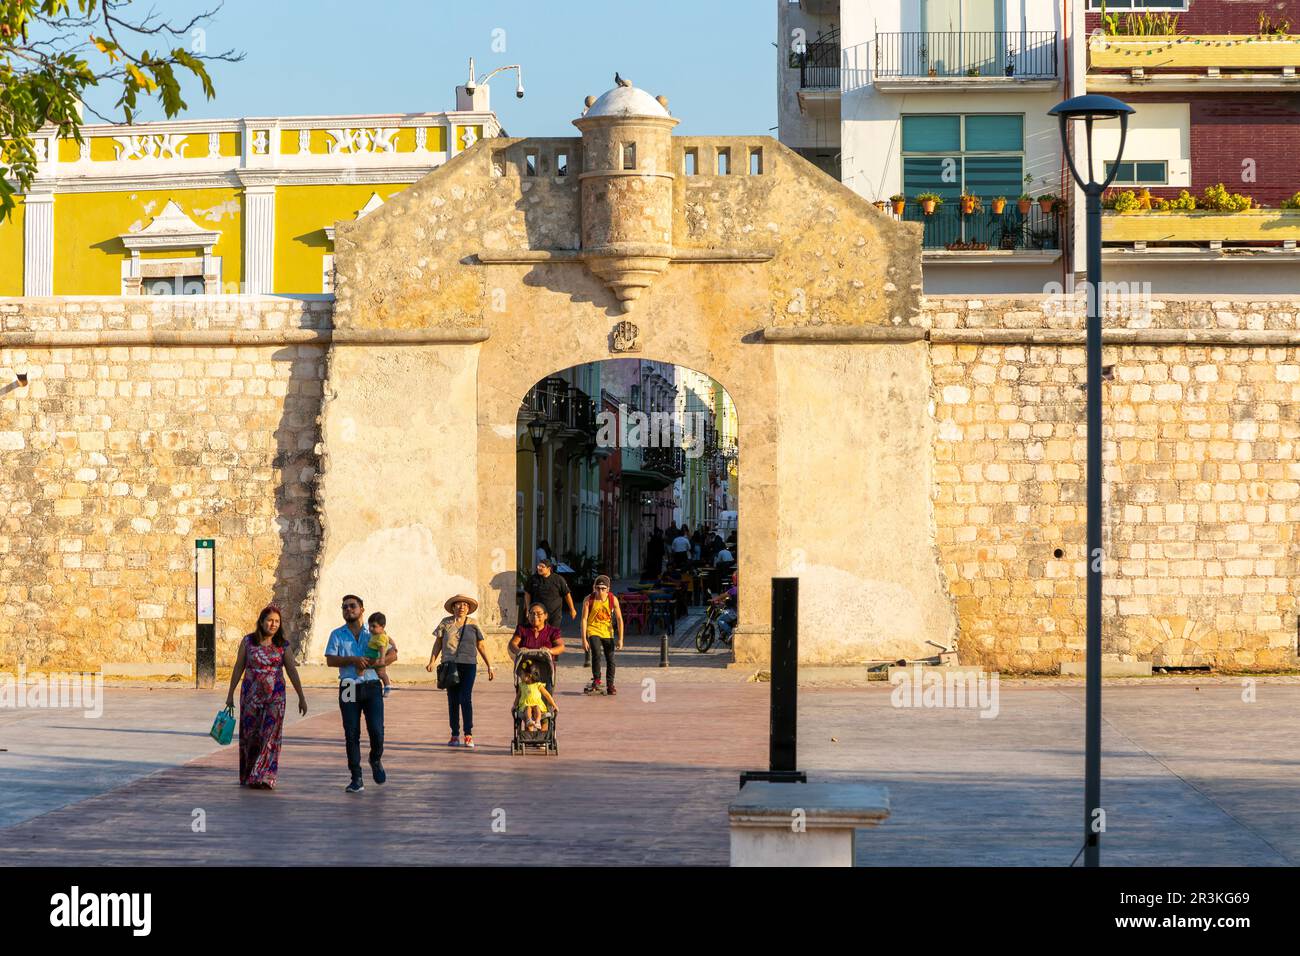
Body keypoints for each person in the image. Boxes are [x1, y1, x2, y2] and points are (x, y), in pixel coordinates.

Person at [225, 603, 307, 790]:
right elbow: (239, 667)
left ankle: (264, 776)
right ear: (261, 622)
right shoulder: (248, 642)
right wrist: (230, 694)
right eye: (270, 620)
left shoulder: (283, 645)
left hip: (275, 697)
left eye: (277, 621)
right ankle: (249, 774)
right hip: (251, 696)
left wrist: (301, 696)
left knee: (270, 735)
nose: (273, 624)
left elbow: (292, 671)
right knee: (250, 735)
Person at [325, 594, 397, 793]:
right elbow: (330, 660)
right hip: (348, 685)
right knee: (351, 732)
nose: (348, 609)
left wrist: (379, 663)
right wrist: (353, 660)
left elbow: (393, 653)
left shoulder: (374, 630)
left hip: (372, 684)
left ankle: (375, 759)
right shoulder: (337, 634)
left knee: (376, 730)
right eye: (344, 607)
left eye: (352, 606)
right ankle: (356, 778)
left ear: (362, 609)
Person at [427, 593, 494, 749]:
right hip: (449, 665)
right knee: (453, 700)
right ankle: (454, 734)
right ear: (453, 607)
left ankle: (468, 734)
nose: (462, 607)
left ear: (469, 608)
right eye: (458, 604)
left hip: (468, 664)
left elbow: (482, 646)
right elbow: (438, 643)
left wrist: (490, 665)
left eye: (465, 605)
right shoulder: (445, 623)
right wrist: (432, 661)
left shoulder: (474, 624)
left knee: (466, 698)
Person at [581, 575, 624, 696]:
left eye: (603, 588)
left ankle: (610, 684)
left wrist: (620, 639)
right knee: (596, 653)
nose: (600, 591)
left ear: (608, 589)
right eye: (598, 588)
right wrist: (584, 639)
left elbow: (620, 619)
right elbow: (584, 619)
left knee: (611, 659)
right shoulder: (588, 599)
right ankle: (597, 679)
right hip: (593, 629)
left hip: (607, 632)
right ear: (594, 588)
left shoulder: (612, 599)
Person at [524, 559, 576, 632]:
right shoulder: (533, 579)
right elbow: (527, 593)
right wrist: (528, 608)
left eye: (542, 566)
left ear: (549, 568)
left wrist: (572, 609)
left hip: (554, 614)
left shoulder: (558, 579)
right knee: (538, 633)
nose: (539, 568)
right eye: (538, 566)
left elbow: (567, 594)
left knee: (552, 634)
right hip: (538, 614)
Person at [516, 658, 558, 732]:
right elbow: (518, 696)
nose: (520, 676)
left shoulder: (538, 685)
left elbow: (547, 695)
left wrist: (554, 705)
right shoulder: (522, 685)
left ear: (529, 676)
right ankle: (529, 721)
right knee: (528, 708)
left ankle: (538, 721)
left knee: (537, 708)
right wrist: (514, 705)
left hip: (537, 704)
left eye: (522, 674)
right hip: (526, 705)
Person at [365, 611, 394, 697]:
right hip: (372, 656)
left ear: (382, 627)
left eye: (374, 626)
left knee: (381, 673)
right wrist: (394, 645)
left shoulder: (380, 636)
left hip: (377, 657)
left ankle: (387, 686)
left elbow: (381, 649)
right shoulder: (377, 634)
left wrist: (382, 659)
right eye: (370, 626)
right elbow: (389, 639)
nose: (371, 629)